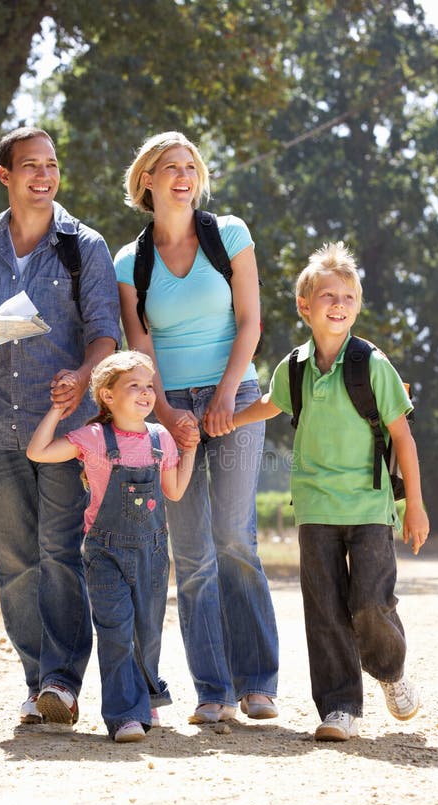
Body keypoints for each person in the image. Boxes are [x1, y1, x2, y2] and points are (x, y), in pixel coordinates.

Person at [0, 126, 121, 727]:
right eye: (30, 166)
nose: (43, 177)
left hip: (64, 429)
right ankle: (34, 678)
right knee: (14, 560)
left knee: (59, 553)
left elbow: (106, 334)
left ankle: (62, 682)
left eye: (51, 165)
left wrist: (82, 372)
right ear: (5, 175)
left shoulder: (84, 246)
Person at [225, 241, 429, 741]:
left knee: (370, 603)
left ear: (357, 305)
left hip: (369, 506)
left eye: (349, 297)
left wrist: (414, 506)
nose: (339, 304)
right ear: (305, 305)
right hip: (314, 506)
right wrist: (224, 421)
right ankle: (339, 707)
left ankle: (391, 670)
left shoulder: (372, 365)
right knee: (324, 609)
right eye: (328, 295)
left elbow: (402, 435)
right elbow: (272, 405)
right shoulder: (293, 367)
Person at [114, 131, 279, 725]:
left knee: (234, 536)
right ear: (147, 182)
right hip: (169, 405)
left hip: (234, 395)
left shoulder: (228, 234)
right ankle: (212, 692)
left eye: (191, 166)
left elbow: (251, 321)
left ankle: (257, 682)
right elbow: (140, 348)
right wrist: (164, 413)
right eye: (169, 167)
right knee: (190, 552)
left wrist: (227, 394)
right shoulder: (128, 262)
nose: (183, 175)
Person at [26, 350, 198, 741]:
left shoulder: (161, 438)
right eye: (133, 386)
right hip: (105, 554)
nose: (145, 393)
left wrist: (188, 450)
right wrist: (56, 410)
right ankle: (124, 716)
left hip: (152, 553)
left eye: (149, 386)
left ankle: (141, 696)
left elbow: (174, 491)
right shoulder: (92, 438)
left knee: (147, 632)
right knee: (116, 630)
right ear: (107, 395)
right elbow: (37, 452)